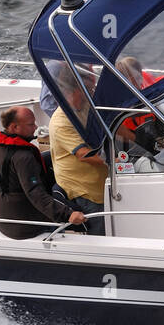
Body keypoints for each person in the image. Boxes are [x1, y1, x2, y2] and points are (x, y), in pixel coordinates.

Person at [0, 106, 85, 239]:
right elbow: (36, 194)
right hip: (28, 226)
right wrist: (68, 215)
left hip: (5, 220)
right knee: (83, 214)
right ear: (14, 127)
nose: (36, 127)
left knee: (49, 157)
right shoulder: (24, 157)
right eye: (31, 124)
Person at [50, 85, 109, 235]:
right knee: (101, 233)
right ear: (74, 91)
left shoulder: (85, 106)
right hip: (85, 190)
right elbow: (83, 154)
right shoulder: (61, 122)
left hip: (102, 180)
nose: (92, 94)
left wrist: (136, 139)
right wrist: (113, 161)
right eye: (88, 90)